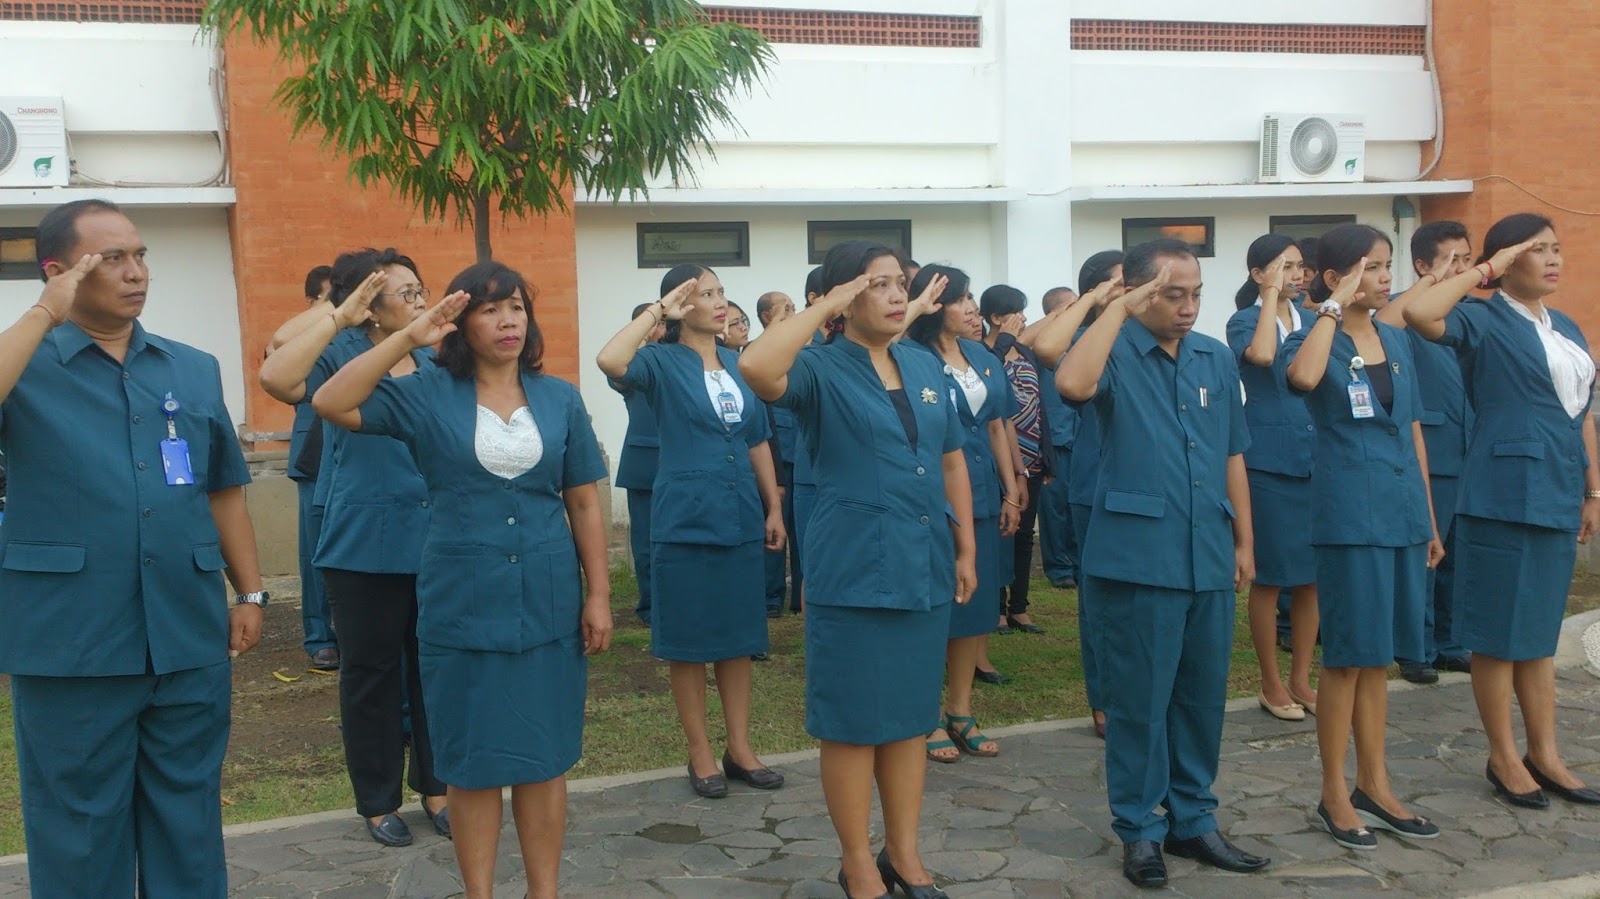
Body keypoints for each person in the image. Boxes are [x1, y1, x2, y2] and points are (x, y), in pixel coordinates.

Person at [313, 261, 614, 899]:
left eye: (517, 307)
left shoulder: (559, 398)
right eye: (489, 309)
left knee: (544, 760)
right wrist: (408, 336)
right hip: (461, 604)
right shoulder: (426, 393)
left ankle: (543, 892)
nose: (508, 321)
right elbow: (331, 401)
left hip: (548, 602)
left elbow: (585, 500)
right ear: (460, 322)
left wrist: (599, 594)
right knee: (470, 764)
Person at [0, 199, 266, 897]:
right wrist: (44, 313)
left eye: (140, 255)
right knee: (81, 831)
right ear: (59, 271)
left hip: (185, 631)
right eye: (111, 258)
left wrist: (250, 590)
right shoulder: (26, 364)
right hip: (72, 637)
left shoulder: (191, 367)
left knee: (189, 820)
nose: (136, 272)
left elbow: (222, 488)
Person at [741, 239, 974, 899]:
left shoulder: (922, 362)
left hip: (923, 563)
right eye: (878, 284)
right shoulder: (818, 368)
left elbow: (951, 457)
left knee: (908, 718)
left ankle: (903, 853)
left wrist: (966, 548)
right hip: (853, 569)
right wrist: (828, 306)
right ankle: (857, 864)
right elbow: (756, 365)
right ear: (844, 297)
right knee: (850, 723)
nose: (897, 295)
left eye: (900, 282)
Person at [1058, 239, 1269, 888]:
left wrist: (1244, 540)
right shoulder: (1110, 348)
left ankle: (1193, 819)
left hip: (1207, 550)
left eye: (1196, 293)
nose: (1188, 307)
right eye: (1172, 294)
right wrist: (1116, 310)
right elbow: (1072, 384)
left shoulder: (1212, 356)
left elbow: (1232, 452)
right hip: (1137, 556)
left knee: (1201, 699)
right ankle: (1140, 829)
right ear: (1139, 292)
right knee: (1140, 704)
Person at [1404, 213, 1600, 809]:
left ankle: (1546, 754)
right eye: (1537, 250)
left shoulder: (1564, 326)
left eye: (1556, 248)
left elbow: (1581, 415)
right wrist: (1483, 270)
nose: (1553, 258)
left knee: (1537, 634)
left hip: (1558, 488)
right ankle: (1503, 756)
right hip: (1504, 492)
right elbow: (1419, 313)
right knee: (1496, 634)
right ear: (1508, 260)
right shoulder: (1481, 318)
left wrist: (1593, 491)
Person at [258, 248, 450, 846]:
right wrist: (337, 316)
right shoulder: (340, 351)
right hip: (364, 541)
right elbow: (277, 378)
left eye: (420, 290)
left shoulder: (434, 359)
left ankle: (438, 787)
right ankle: (377, 799)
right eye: (405, 293)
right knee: (370, 674)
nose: (419, 301)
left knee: (436, 669)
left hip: (437, 538)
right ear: (369, 305)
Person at [596, 264, 788, 799]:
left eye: (721, 291)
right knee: (687, 642)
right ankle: (700, 750)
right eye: (705, 294)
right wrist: (658, 314)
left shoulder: (740, 364)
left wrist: (772, 506)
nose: (720, 302)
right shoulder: (659, 362)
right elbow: (610, 360)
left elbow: (756, 439)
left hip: (740, 516)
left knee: (739, 639)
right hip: (685, 520)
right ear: (681, 305)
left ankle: (740, 748)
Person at [1284, 223, 1445, 848]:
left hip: (1401, 514)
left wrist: (1427, 519)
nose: (1385, 278)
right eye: (1373, 267)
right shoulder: (1313, 335)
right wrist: (1330, 308)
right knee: (1348, 656)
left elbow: (1411, 430)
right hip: (1351, 515)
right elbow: (1302, 380)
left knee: (1378, 658)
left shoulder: (1396, 339)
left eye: (1386, 266)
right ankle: (1333, 792)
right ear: (1336, 276)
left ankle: (1374, 785)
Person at [907, 265, 1018, 763]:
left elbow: (995, 424)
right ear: (934, 306)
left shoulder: (981, 355)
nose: (971, 307)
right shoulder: (911, 357)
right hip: (934, 495)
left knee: (975, 608)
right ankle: (926, 716)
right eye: (960, 299)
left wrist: (1011, 488)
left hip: (984, 492)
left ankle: (960, 709)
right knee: (939, 606)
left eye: (971, 297)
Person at [1226, 234, 1319, 721]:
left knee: (1312, 578)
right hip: (1268, 459)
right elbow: (1262, 356)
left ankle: (1302, 677)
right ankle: (1271, 681)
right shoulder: (1244, 320)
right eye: (1285, 266)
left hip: (1316, 455)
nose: (1297, 275)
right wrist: (1268, 298)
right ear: (1259, 273)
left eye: (1300, 266)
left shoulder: (1315, 319)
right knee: (1270, 576)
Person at [1378, 220, 1476, 682]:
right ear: (1422, 265)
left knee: (1459, 553)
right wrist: (1431, 284)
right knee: (1426, 552)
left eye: (1468, 259)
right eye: (1452, 260)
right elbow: (1384, 326)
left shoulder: (1472, 313)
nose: (1463, 268)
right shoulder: (1408, 308)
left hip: (1472, 448)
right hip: (1431, 448)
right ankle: (1414, 646)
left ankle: (1449, 643)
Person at [1038, 251, 1126, 739]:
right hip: (1098, 485)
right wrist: (1093, 301)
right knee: (1102, 603)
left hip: (1152, 486)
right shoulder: (1084, 340)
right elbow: (1047, 347)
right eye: (1123, 284)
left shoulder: (1151, 337)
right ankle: (1105, 698)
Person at [268, 264, 340, 670]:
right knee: (315, 548)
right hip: (315, 451)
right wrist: (338, 305)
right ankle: (320, 636)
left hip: (359, 447)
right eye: (330, 296)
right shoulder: (305, 337)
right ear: (312, 301)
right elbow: (277, 346)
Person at [980, 284, 1055, 634]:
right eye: (1016, 311)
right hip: (997, 460)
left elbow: (1040, 407)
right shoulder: (981, 352)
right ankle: (996, 608)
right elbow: (988, 389)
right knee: (1000, 534)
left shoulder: (1025, 353)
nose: (1023, 318)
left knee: (1025, 535)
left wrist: (1047, 456)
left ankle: (1019, 608)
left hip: (1031, 458)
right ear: (996, 317)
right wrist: (1004, 342)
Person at [613, 303, 666, 624]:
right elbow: (616, 374)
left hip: (679, 460)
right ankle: (650, 606)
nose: (658, 328)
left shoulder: (679, 358)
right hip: (643, 464)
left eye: (661, 322)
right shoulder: (632, 363)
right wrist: (642, 338)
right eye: (652, 323)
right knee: (645, 541)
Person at [1031, 286, 1082, 591]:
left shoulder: (1085, 340)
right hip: (1056, 438)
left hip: (1082, 436)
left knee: (1079, 503)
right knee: (1054, 507)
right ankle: (1059, 567)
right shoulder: (1043, 344)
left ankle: (1079, 563)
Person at [758, 290, 803, 615]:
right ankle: (771, 597)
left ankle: (801, 595)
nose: (792, 313)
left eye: (793, 307)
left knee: (803, 530)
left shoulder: (803, 348)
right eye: (785, 308)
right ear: (766, 316)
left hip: (806, 454)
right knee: (775, 526)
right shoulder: (757, 352)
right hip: (777, 456)